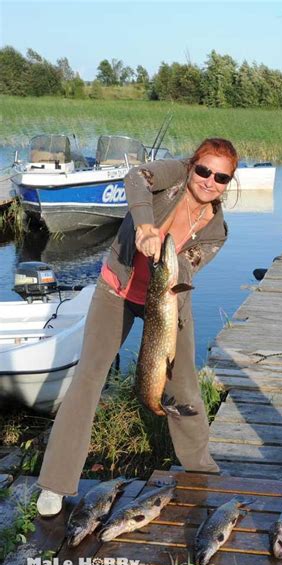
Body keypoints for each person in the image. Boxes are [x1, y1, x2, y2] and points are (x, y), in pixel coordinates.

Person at [37, 138, 238, 516]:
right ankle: (55, 483)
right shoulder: (172, 175)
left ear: (229, 182)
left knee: (185, 387)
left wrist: (170, 254)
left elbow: (186, 269)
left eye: (221, 177)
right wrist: (145, 225)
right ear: (192, 165)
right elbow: (135, 178)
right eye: (204, 170)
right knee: (88, 378)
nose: (210, 180)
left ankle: (200, 468)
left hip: (169, 301)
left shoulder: (217, 230)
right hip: (119, 288)